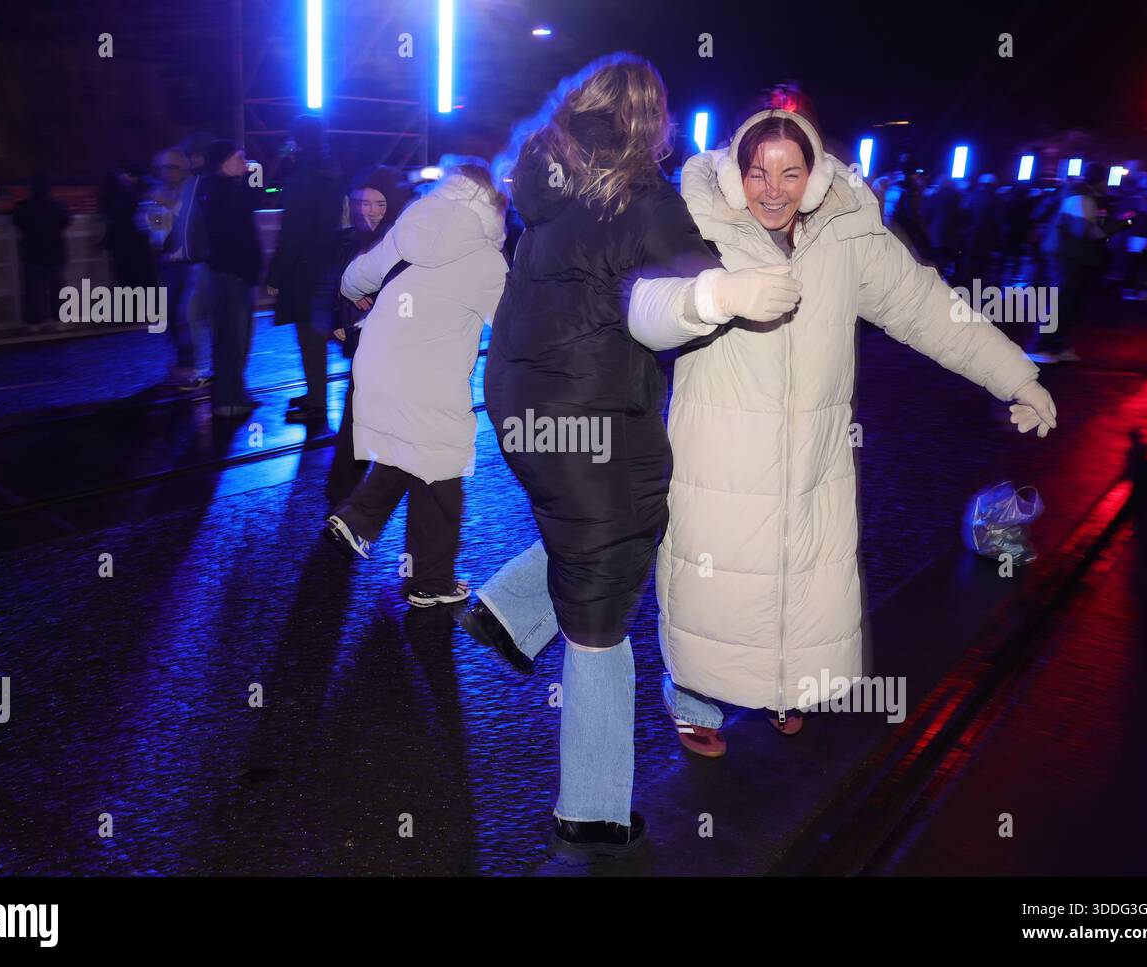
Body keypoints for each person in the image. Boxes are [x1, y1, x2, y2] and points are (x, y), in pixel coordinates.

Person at [461, 107, 1057, 764]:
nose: (772, 189)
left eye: (790, 172)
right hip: (716, 453)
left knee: (799, 576)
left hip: (814, 456)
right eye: (757, 173)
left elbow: (929, 310)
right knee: (710, 583)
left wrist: (1017, 377)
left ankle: (783, 684)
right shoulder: (696, 225)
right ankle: (691, 694)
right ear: (736, 173)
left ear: (816, 174)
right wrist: (716, 296)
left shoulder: (849, 236)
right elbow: (644, 310)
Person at [478, 55, 801, 863]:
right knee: (605, 599)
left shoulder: (545, 183)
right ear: (652, 120)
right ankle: (591, 810)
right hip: (592, 417)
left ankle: (511, 607)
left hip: (518, 407)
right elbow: (683, 299)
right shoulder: (642, 201)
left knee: (612, 530)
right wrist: (730, 282)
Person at [322, 163, 508, 608]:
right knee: (442, 474)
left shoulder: (412, 224)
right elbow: (512, 326)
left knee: (417, 455)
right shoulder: (487, 259)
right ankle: (426, 575)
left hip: (377, 362)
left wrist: (355, 295)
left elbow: (354, 279)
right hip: (430, 379)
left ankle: (366, 523)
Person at [324, 165, 410, 504]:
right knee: (360, 410)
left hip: (391, 343)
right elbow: (335, 286)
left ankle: (349, 488)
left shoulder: (401, 241)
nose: (369, 211)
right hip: (363, 341)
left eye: (378, 204)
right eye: (363, 203)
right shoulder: (349, 239)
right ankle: (347, 486)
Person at [266, 115, 345, 424]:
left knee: (308, 337)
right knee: (315, 336)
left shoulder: (304, 175)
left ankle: (316, 402)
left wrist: (276, 274)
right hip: (325, 262)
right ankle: (316, 394)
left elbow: (293, 230)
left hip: (302, 269)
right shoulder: (331, 170)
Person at [197, 140, 262, 418]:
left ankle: (233, 394)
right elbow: (238, 233)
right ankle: (229, 400)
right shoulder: (225, 193)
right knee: (233, 339)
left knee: (231, 338)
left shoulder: (216, 189)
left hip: (228, 273)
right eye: (239, 158)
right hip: (233, 274)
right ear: (223, 162)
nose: (244, 163)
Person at [140, 148, 210, 386]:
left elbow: (199, 218)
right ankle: (183, 362)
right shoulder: (159, 191)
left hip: (194, 262)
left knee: (187, 315)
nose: (166, 172)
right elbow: (154, 229)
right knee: (171, 315)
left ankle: (195, 365)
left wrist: (170, 205)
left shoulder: (197, 187)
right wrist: (154, 223)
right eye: (161, 168)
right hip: (168, 262)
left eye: (172, 167)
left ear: (185, 167)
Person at [1031, 162, 1107, 364]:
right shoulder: (1081, 197)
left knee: (1070, 301)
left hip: (1068, 253)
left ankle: (1056, 345)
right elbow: (1081, 230)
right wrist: (1106, 231)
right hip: (1066, 254)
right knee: (1063, 300)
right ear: (1100, 180)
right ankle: (1041, 345)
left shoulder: (1079, 194)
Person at [12, 173, 71, 333]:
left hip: (31, 253)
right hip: (54, 251)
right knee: (57, 287)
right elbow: (66, 221)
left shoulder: (22, 206)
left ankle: (34, 321)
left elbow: (16, 222)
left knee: (33, 290)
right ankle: (59, 320)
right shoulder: (57, 205)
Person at [97, 163, 155, 288]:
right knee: (140, 279)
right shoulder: (132, 195)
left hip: (120, 246)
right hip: (137, 244)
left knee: (124, 280)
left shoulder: (110, 198)